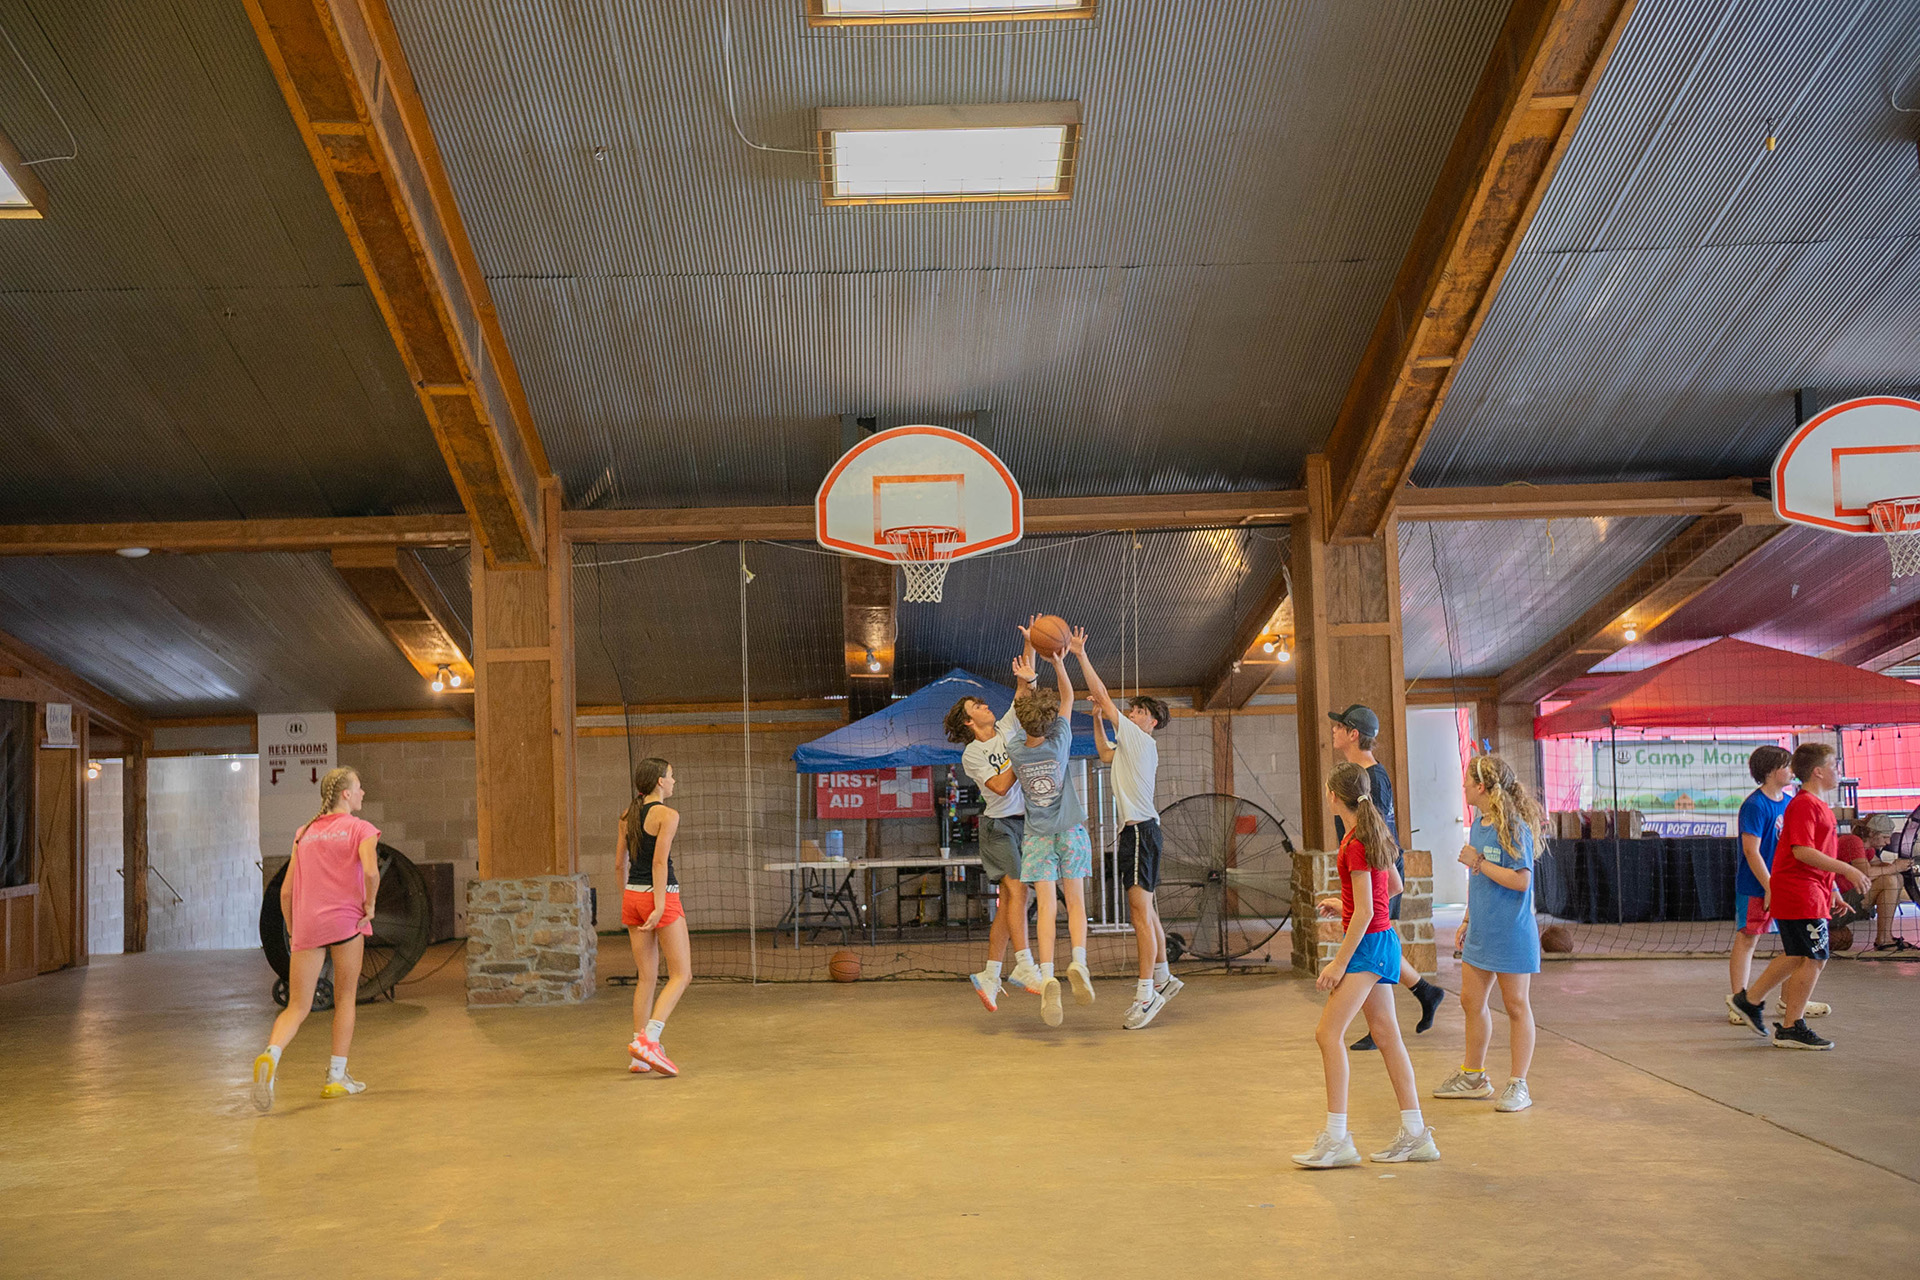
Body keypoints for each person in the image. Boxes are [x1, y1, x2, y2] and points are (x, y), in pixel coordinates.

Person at [1292, 762, 1436, 1169]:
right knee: (1387, 1035)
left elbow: (1369, 909)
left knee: (1327, 1034)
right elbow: (1393, 887)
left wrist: (1339, 964)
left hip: (1368, 948)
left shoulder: (1356, 841)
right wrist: (1346, 903)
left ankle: (1337, 1138)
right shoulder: (1371, 832)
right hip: (1382, 941)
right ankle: (1416, 1133)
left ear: (1333, 796)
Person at [250, 766, 381, 1113]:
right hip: (346, 922)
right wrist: (369, 905)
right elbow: (371, 871)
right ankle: (336, 1077)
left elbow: (286, 891)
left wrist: (294, 927)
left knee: (297, 1006)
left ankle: (271, 1055)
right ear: (346, 795)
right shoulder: (361, 829)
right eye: (359, 787)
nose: (363, 793)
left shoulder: (304, 832)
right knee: (345, 998)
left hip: (308, 925)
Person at [1728, 743, 1870, 1050]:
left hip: (1808, 891)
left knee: (1797, 954)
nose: (1838, 771)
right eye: (1834, 765)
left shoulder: (1807, 804)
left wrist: (1832, 889)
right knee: (1814, 956)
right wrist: (1848, 870)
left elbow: (1817, 852)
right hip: (1799, 892)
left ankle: (1751, 1001)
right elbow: (1802, 851)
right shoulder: (1803, 805)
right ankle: (1791, 1025)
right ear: (1818, 771)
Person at [1431, 754, 1549, 1114]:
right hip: (1481, 931)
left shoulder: (1514, 827)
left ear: (1481, 787)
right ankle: (1473, 1076)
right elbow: (1477, 880)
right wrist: (1467, 919)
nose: (1464, 787)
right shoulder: (1478, 826)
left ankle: (1518, 1084)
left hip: (1512, 933)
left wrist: (1480, 862)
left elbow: (1521, 880)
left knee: (1516, 1006)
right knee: (1471, 1001)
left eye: (1467, 782)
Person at [1072, 629, 1178, 1029]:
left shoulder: (1139, 738)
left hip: (1141, 833)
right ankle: (1164, 977)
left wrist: (1081, 654)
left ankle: (1146, 995)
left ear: (1150, 721)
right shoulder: (1129, 746)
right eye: (1130, 711)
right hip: (1139, 833)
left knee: (1139, 916)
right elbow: (1103, 753)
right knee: (1146, 912)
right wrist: (1098, 721)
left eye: (1136, 711)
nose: (1130, 715)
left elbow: (1101, 693)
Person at [1327, 704, 1445, 1051]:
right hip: (1365, 864)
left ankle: (1398, 1010)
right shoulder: (1356, 775)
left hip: (1380, 866)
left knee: (1376, 938)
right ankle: (1420, 994)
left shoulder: (1372, 779)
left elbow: (1378, 835)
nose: (1333, 731)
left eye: (1339, 727)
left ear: (1353, 734)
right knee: (1376, 939)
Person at [945, 645, 1045, 1011]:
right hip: (998, 827)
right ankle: (1024, 965)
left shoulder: (1005, 729)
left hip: (1023, 825)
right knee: (1018, 892)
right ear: (969, 722)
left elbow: (1023, 694)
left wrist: (1030, 648)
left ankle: (990, 974)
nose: (985, 705)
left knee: (1010, 903)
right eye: (977, 706)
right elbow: (1001, 786)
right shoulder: (972, 754)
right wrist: (1022, 754)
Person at [1007, 629, 1094, 1027]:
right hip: (1070, 829)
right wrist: (1059, 661)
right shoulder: (1059, 741)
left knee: (1045, 906)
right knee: (1075, 902)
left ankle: (1046, 976)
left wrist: (1025, 678)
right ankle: (1079, 961)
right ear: (1050, 720)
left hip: (1037, 834)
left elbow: (1021, 709)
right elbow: (1069, 697)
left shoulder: (1015, 749)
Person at [622, 758, 692, 1076]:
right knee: (681, 974)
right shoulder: (668, 815)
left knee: (646, 978)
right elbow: (659, 863)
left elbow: (619, 864)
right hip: (659, 896)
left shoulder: (627, 815)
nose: (674, 781)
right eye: (671, 776)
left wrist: (628, 897)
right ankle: (650, 1040)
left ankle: (639, 1056)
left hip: (632, 896)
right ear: (660, 781)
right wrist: (661, 905)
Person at [1727, 746, 1800, 1023]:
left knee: (1796, 941)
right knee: (1749, 938)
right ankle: (1739, 1000)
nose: (1792, 771)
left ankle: (1790, 999)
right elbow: (1751, 850)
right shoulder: (1755, 805)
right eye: (1787, 766)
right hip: (1756, 885)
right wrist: (1770, 886)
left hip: (1786, 885)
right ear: (1770, 771)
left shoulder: (1790, 803)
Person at [1837, 814, 1917, 955]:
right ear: (1872, 833)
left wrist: (1901, 866)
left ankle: (1886, 937)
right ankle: (1883, 940)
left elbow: (1880, 867)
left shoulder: (1868, 849)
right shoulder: (1852, 841)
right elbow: (1865, 873)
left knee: (1896, 877)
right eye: (1885, 837)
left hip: (1846, 901)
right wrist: (1894, 867)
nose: (1888, 842)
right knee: (1889, 880)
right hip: (1837, 903)